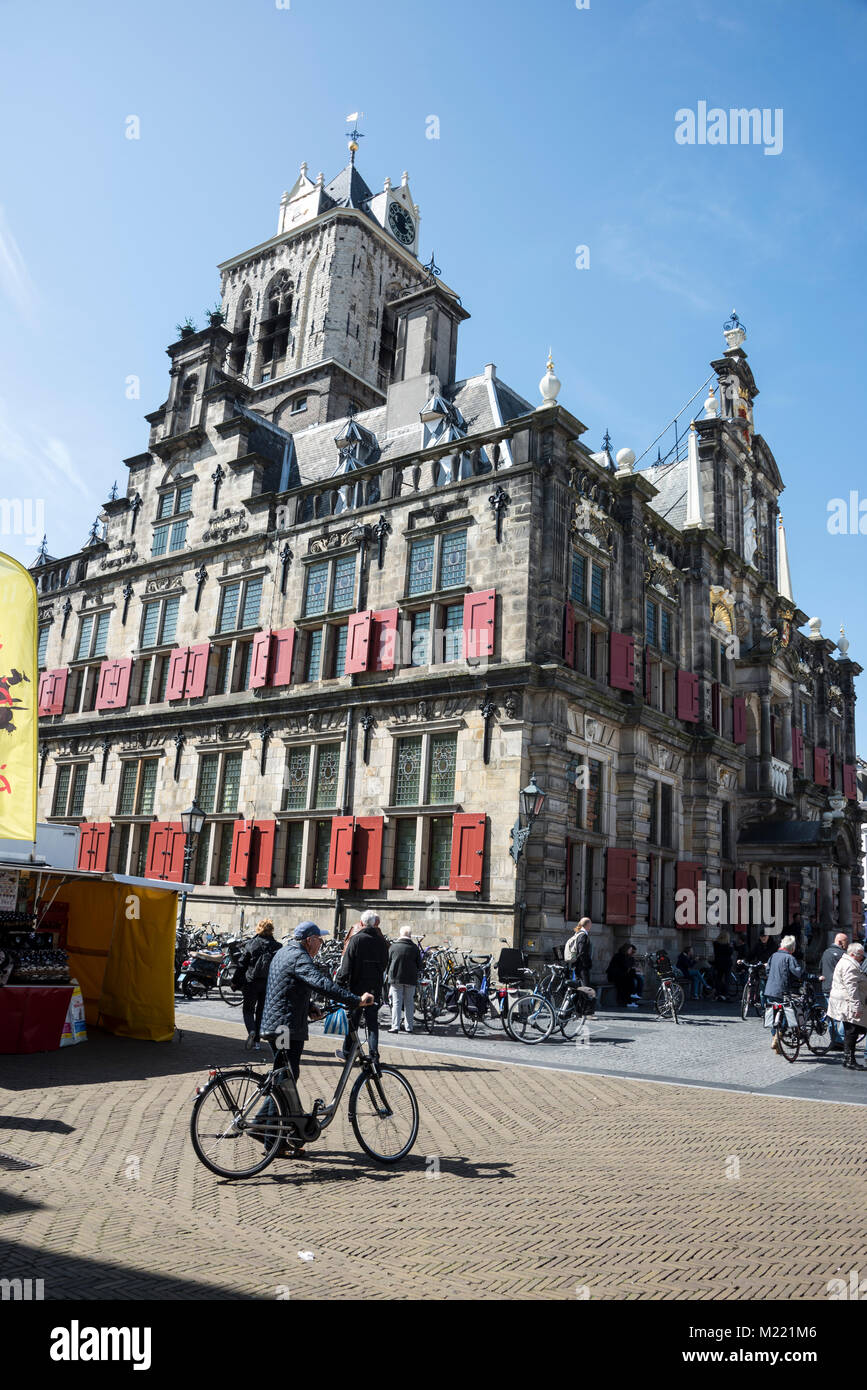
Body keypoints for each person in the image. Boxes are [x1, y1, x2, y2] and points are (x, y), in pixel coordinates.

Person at [258, 922, 372, 1156]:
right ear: (309, 939)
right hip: (285, 1028)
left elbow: (287, 985)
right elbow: (321, 983)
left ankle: (268, 1132)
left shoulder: (284, 952)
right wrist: (355, 1000)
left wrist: (309, 1006)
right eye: (319, 940)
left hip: (279, 1023)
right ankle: (269, 1137)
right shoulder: (299, 957)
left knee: (285, 1077)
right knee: (285, 1079)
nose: (320, 945)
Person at [336, 909, 389, 1061]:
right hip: (375, 987)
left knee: (353, 1021)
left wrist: (339, 984)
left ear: (361, 923)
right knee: (372, 1023)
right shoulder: (381, 941)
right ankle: (374, 1055)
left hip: (357, 987)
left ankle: (347, 1052)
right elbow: (385, 963)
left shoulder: (356, 940)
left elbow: (346, 966)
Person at [239, 918, 281, 1050]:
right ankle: (257, 1042)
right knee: (261, 1012)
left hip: (251, 981)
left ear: (259, 929)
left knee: (248, 1010)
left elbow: (242, 964)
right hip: (268, 984)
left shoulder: (252, 943)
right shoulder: (278, 946)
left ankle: (251, 1030)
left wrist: (235, 981)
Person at [827, 944, 867, 1071]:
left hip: (845, 1002)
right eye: (860, 955)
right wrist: (857, 1007)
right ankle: (850, 1060)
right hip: (848, 1003)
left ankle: (847, 1058)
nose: (862, 958)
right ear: (852, 954)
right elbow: (852, 988)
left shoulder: (846, 962)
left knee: (851, 1031)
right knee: (852, 1032)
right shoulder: (850, 965)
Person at [764, 934, 803, 1054]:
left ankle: (775, 1040)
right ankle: (778, 1036)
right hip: (783, 990)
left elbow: (767, 970)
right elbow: (797, 973)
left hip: (770, 990)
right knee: (787, 1013)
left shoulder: (773, 956)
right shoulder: (790, 958)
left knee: (772, 1015)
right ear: (792, 947)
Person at [387, 926, 422, 1033]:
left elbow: (388, 963)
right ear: (410, 935)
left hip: (396, 978)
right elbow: (419, 965)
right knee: (409, 1002)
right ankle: (409, 1027)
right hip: (410, 978)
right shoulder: (415, 948)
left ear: (400, 934)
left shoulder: (393, 947)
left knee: (396, 1003)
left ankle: (395, 1026)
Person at [819, 933, 848, 1051]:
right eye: (846, 942)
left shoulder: (825, 952)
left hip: (826, 987)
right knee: (842, 1015)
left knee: (831, 1014)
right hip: (838, 988)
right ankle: (839, 1040)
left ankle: (834, 1040)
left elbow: (820, 968)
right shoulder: (842, 955)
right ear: (840, 942)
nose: (847, 944)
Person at [607, 944, 638, 1008]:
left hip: (621, 975)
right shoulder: (619, 956)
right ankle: (628, 1000)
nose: (632, 952)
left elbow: (629, 968)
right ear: (626, 950)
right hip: (615, 976)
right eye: (631, 950)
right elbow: (625, 967)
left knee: (635, 979)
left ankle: (632, 998)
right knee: (628, 982)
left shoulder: (628, 957)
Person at [564, 918, 592, 987]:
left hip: (577, 965)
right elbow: (582, 952)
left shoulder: (577, 934)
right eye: (590, 924)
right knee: (585, 989)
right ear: (588, 925)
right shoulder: (583, 936)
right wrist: (587, 965)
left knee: (579, 988)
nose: (591, 926)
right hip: (582, 967)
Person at [712, 930, 734, 1001]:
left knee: (718, 978)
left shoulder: (716, 944)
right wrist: (731, 947)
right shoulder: (728, 946)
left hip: (718, 963)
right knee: (727, 980)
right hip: (727, 964)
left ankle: (718, 994)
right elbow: (730, 953)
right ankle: (726, 994)